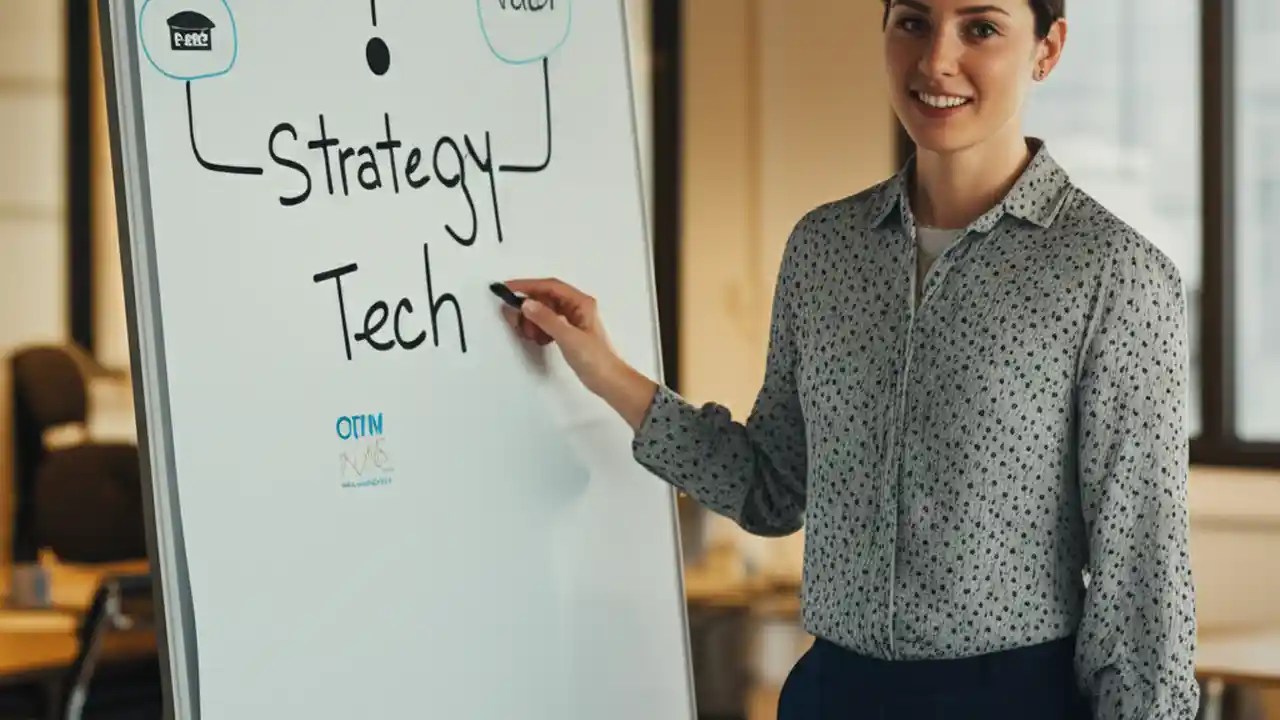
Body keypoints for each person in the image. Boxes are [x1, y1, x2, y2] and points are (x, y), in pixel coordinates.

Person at [501, 0, 1200, 717]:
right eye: (913, 23)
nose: (935, 60)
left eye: (981, 28)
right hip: (833, 695)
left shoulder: (1113, 275)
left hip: (1012, 698)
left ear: (1047, 49)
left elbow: (1142, 579)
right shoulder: (825, 250)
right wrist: (605, 370)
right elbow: (772, 488)